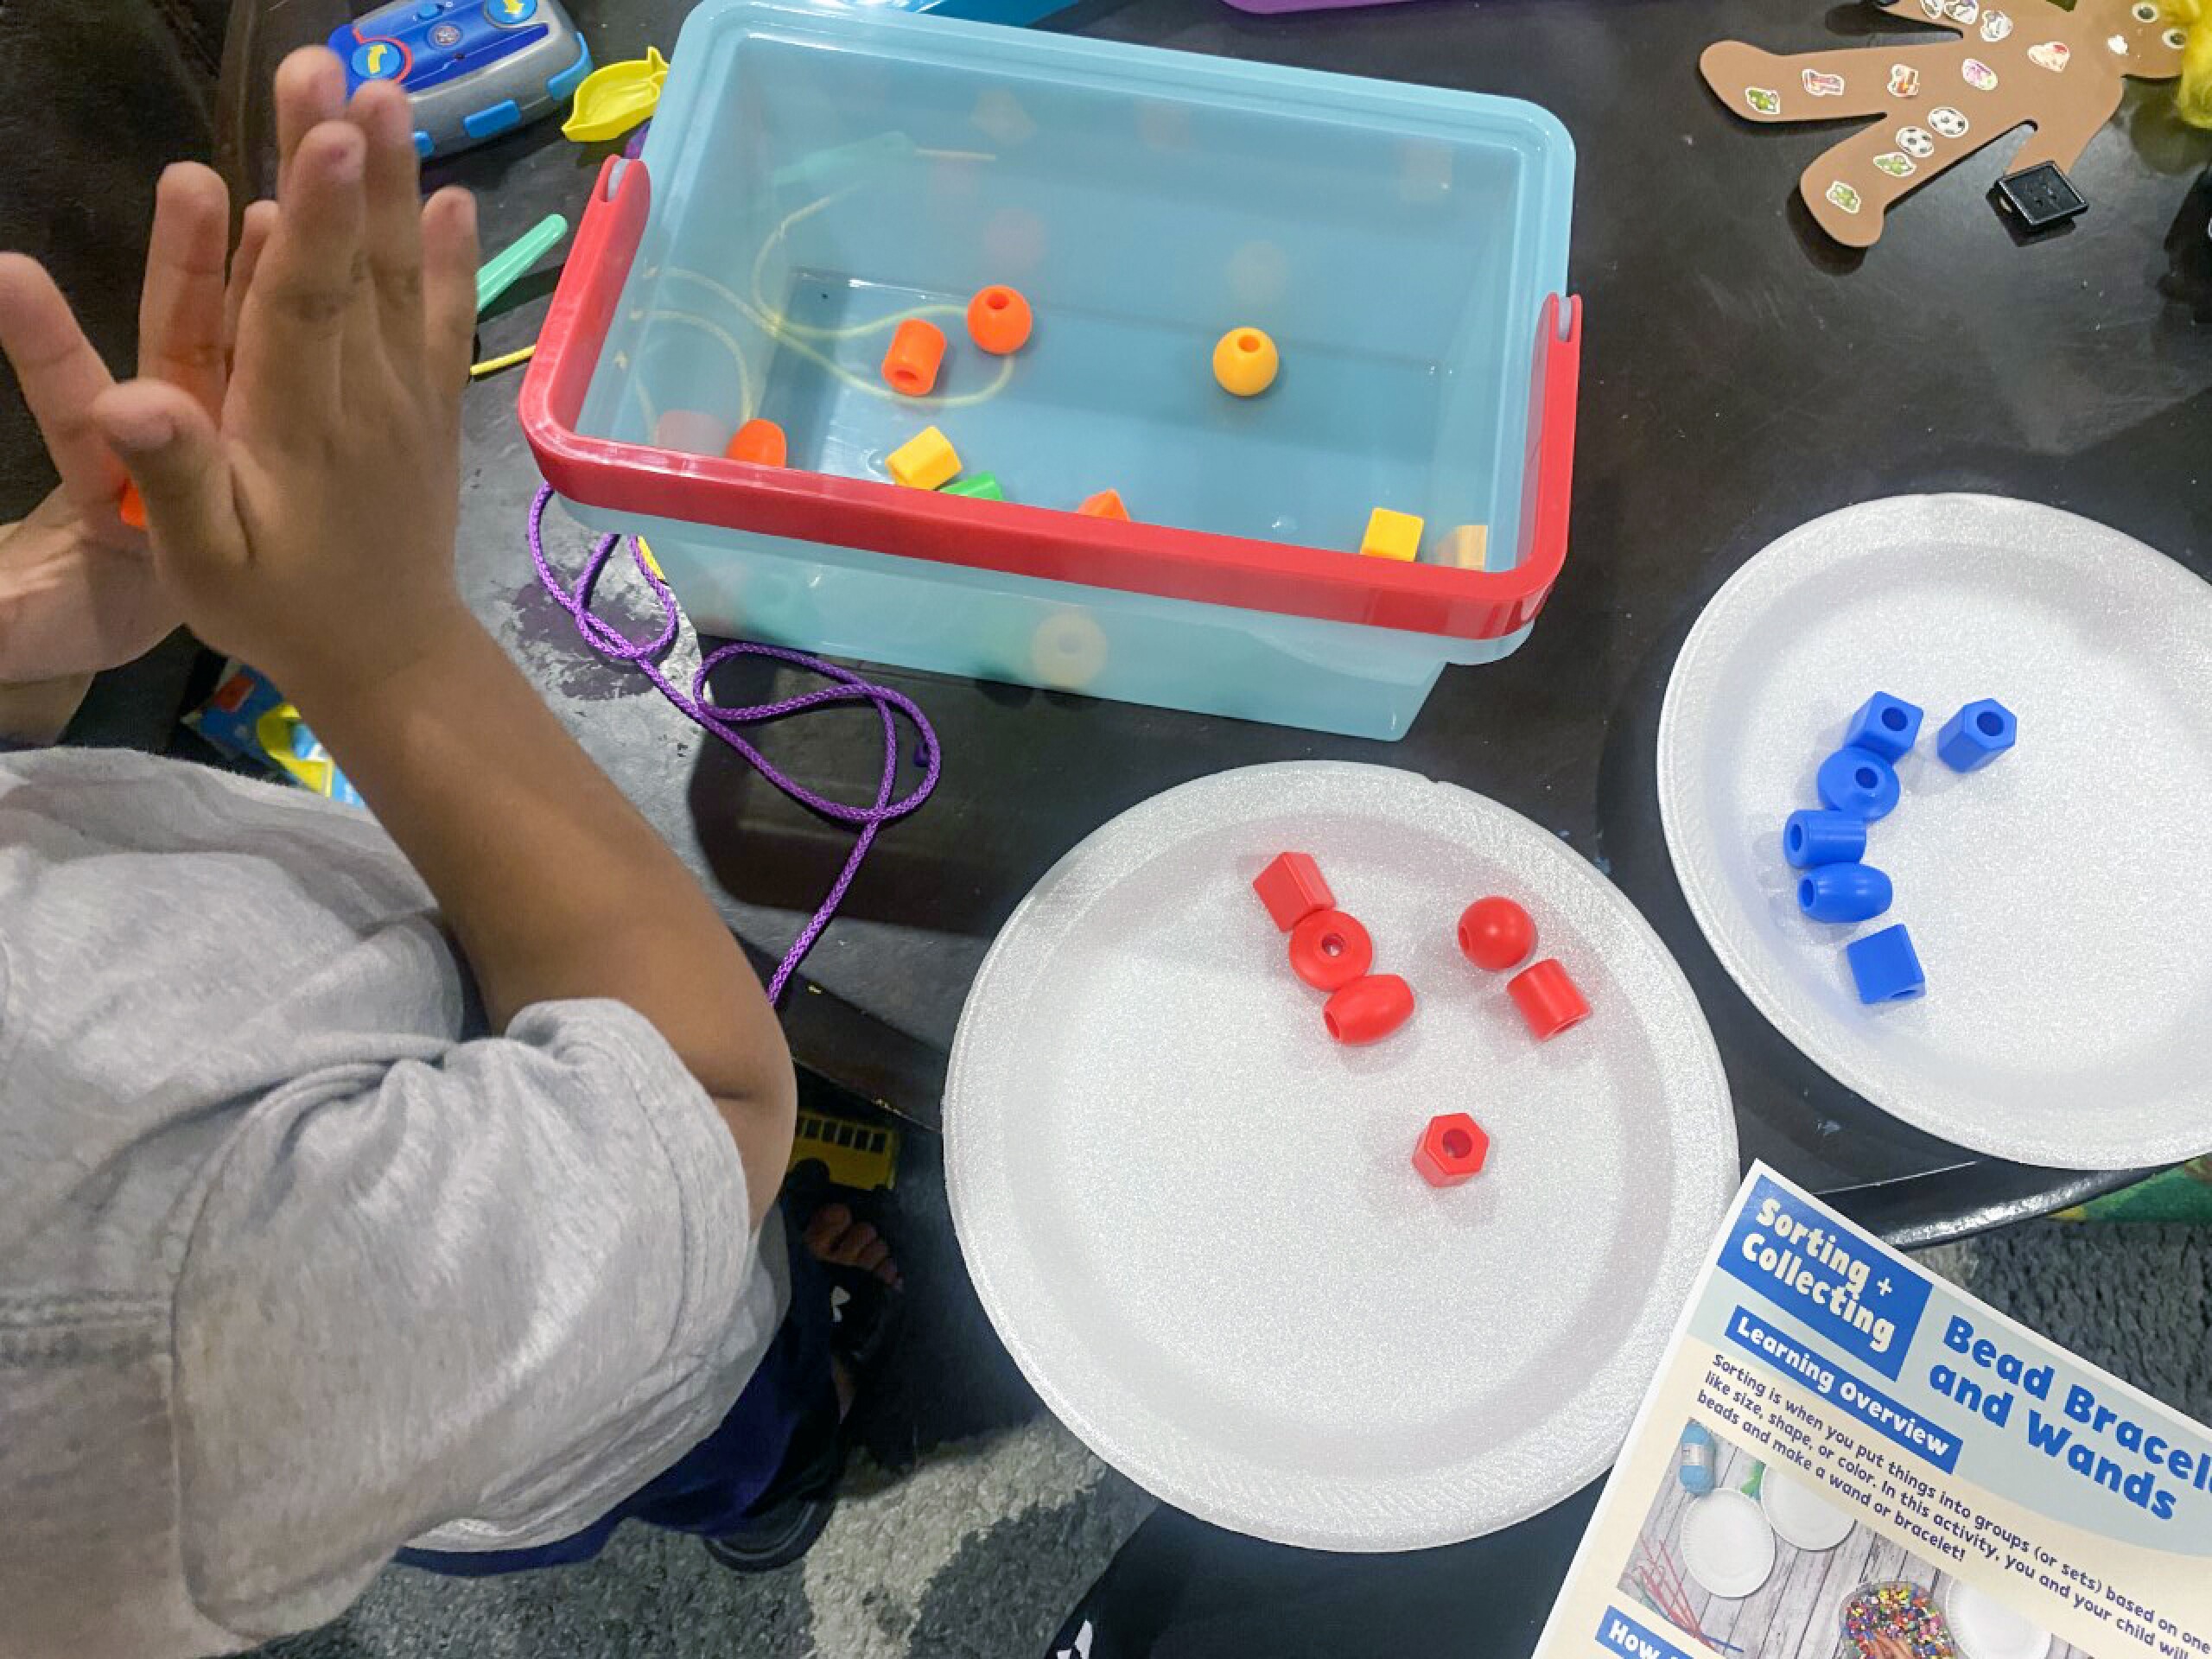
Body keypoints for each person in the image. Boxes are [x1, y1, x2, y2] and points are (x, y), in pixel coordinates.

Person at [0, 48, 893, 1656]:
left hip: (473, 1101)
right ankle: (798, 1467)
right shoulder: (131, 1338)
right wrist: (386, 648)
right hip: (577, 1380)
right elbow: (708, 1100)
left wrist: (30, 614)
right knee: (737, 1411)